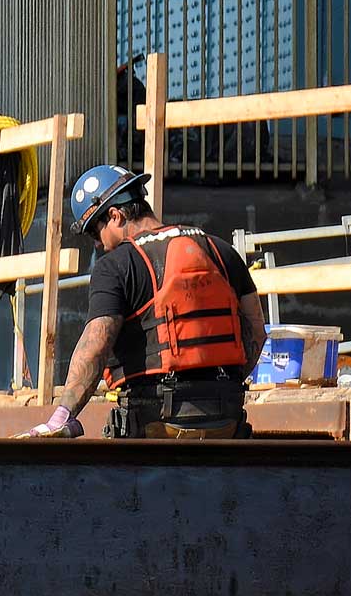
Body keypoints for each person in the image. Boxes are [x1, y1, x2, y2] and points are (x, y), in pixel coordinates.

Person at [21, 164, 265, 441]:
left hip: (156, 425)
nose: (98, 245)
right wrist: (226, 386)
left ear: (115, 215)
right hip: (226, 422)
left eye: (94, 233)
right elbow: (256, 330)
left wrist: (63, 416)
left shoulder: (115, 265)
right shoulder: (221, 250)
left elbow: (97, 343)